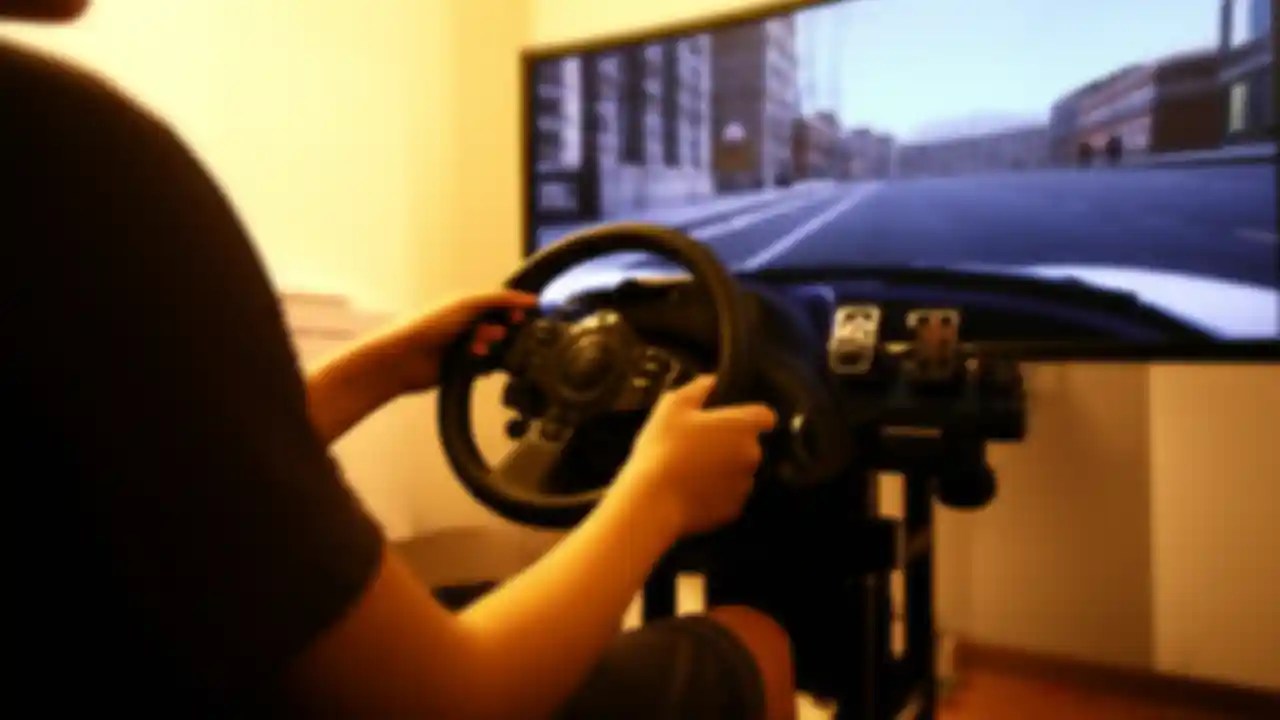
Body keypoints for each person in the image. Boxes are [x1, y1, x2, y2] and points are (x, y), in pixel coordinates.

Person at [1, 1, 797, 718]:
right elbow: (445, 701)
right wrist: (656, 495)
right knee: (753, 638)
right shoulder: (62, 150)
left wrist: (372, 372)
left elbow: (163, 477)